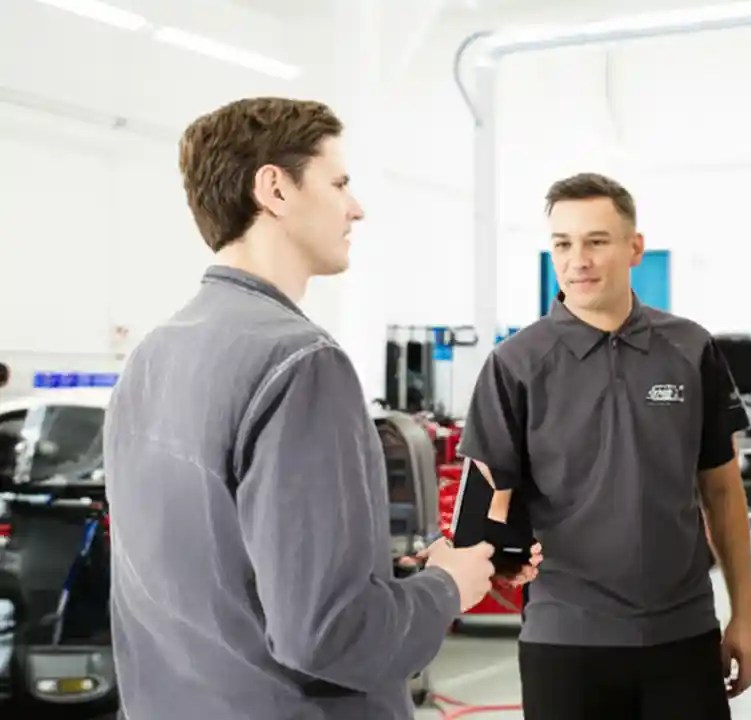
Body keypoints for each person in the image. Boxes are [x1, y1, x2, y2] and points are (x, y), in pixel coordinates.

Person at [103, 97, 519, 720]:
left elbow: (220, 586)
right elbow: (327, 634)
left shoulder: (151, 355)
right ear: (274, 188)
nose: (356, 207)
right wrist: (447, 586)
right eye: (340, 182)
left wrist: (397, 581)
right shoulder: (301, 363)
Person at [459, 172, 751, 720]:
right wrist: (493, 554)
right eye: (562, 244)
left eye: (596, 241)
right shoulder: (516, 364)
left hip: (684, 632)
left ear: (634, 248)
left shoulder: (691, 349)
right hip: (565, 637)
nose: (578, 260)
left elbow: (722, 491)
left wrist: (745, 616)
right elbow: (485, 502)